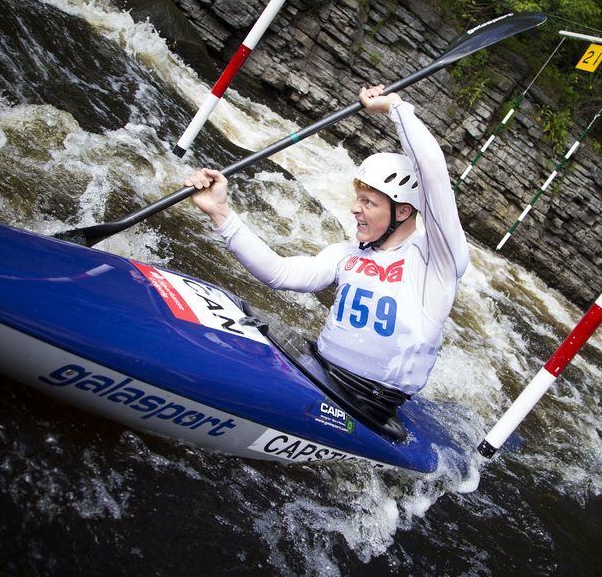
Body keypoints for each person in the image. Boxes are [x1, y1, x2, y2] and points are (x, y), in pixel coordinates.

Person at [184, 85, 469, 440]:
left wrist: (395, 108)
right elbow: (280, 273)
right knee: (235, 319)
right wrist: (221, 214)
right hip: (319, 371)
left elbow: (434, 175)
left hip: (363, 404)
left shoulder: (436, 260)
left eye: (368, 202)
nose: (354, 209)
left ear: (402, 211)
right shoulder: (347, 255)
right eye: (357, 199)